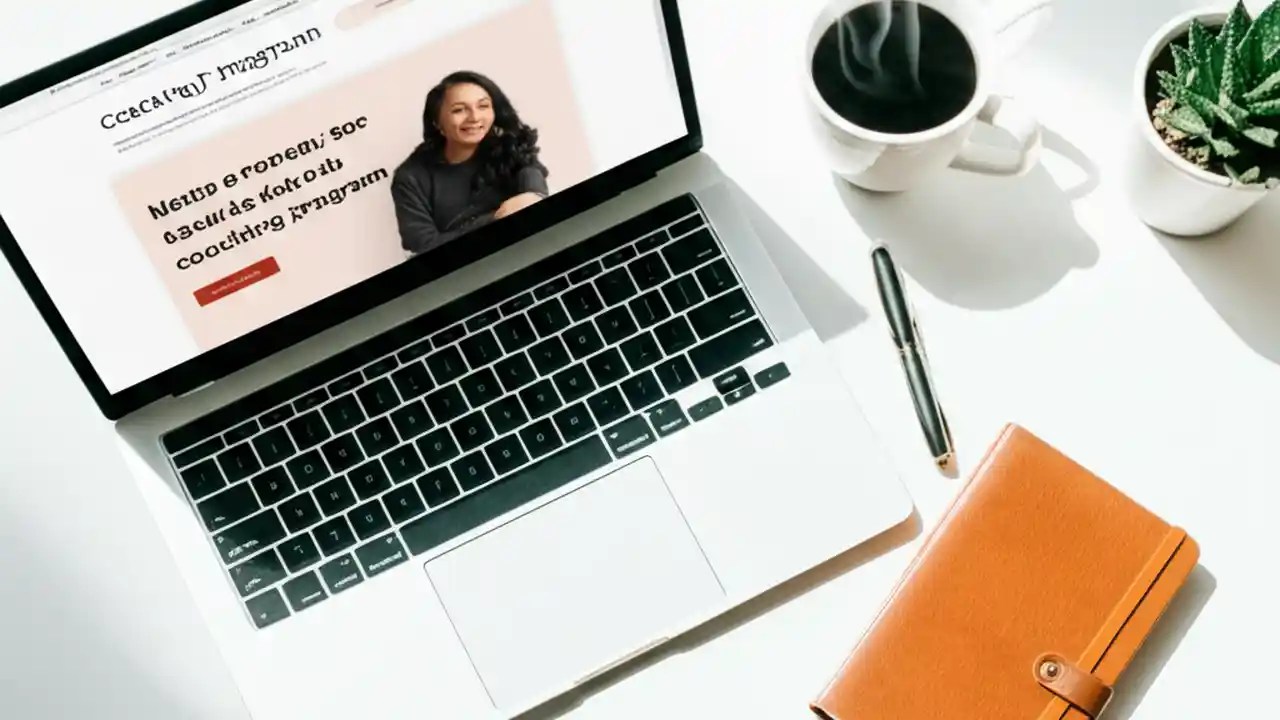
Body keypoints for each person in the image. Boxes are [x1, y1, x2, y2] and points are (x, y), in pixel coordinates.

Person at [392, 71, 549, 255]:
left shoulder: (510, 145)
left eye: (483, 106)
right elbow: (424, 247)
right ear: (436, 122)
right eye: (459, 110)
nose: (474, 117)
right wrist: (496, 218)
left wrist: (533, 195)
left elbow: (533, 188)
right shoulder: (411, 177)